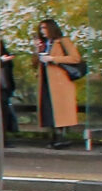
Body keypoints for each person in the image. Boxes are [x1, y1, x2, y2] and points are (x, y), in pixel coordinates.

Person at [34, 18, 84, 146]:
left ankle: (60, 137)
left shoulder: (62, 41)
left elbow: (75, 58)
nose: (42, 31)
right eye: (41, 28)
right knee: (48, 108)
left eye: (44, 28)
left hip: (60, 81)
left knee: (60, 110)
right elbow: (34, 63)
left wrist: (53, 58)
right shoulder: (44, 44)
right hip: (46, 80)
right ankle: (54, 136)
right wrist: (37, 50)